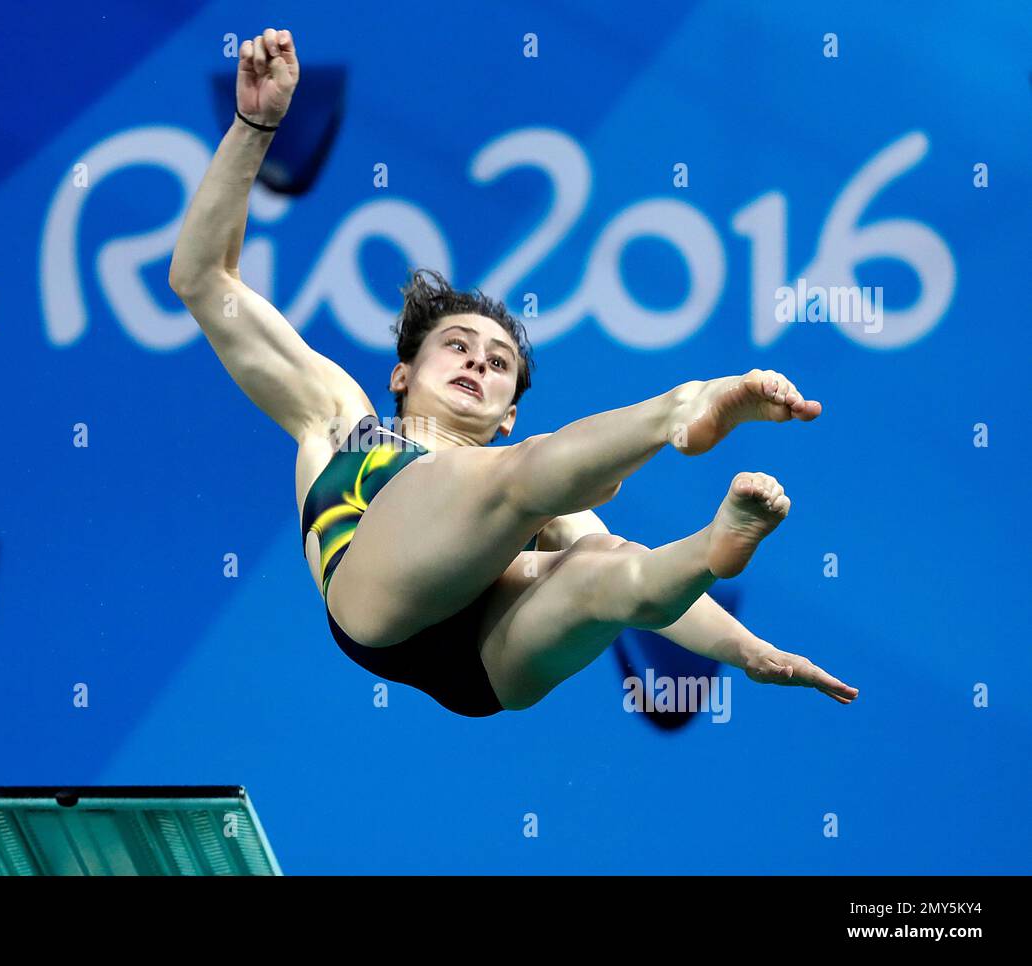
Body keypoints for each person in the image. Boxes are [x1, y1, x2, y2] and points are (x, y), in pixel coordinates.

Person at [168, 27, 859, 717]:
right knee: (524, 479)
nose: (477, 362)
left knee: (608, 567)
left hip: (483, 667)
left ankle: (709, 547)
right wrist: (254, 124)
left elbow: (642, 593)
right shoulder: (341, 419)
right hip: (373, 603)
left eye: (498, 363)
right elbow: (202, 279)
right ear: (401, 376)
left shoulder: (536, 490)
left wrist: (753, 653)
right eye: (458, 346)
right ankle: (682, 408)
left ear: (506, 414)